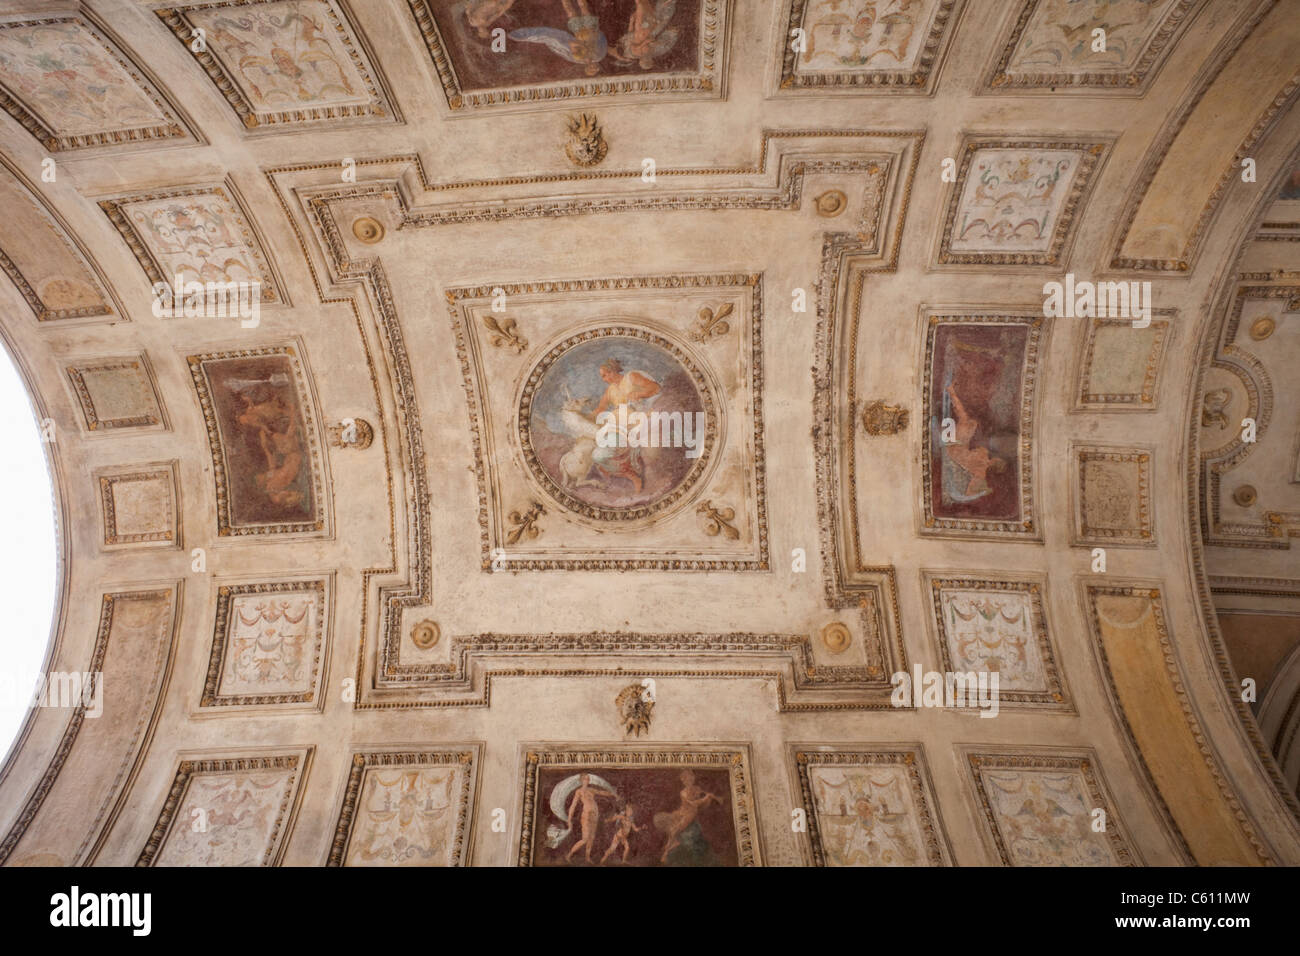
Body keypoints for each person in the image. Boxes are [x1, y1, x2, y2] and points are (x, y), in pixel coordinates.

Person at [591, 357, 660, 493]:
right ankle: (631, 476)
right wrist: (580, 416)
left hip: (636, 420)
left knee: (600, 454)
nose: (604, 379)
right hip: (616, 425)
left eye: (605, 375)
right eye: (602, 377)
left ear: (612, 371)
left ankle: (634, 475)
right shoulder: (610, 389)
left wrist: (639, 393)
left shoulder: (631, 377)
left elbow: (655, 387)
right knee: (598, 455)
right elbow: (600, 409)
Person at [564, 773, 617, 862]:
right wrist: (569, 819)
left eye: (588, 779)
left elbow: (602, 792)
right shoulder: (579, 791)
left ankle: (587, 858)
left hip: (595, 816)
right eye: (586, 779)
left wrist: (612, 793)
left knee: (591, 838)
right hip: (586, 816)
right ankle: (569, 855)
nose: (588, 780)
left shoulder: (591, 789)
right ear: (581, 781)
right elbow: (573, 805)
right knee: (585, 839)